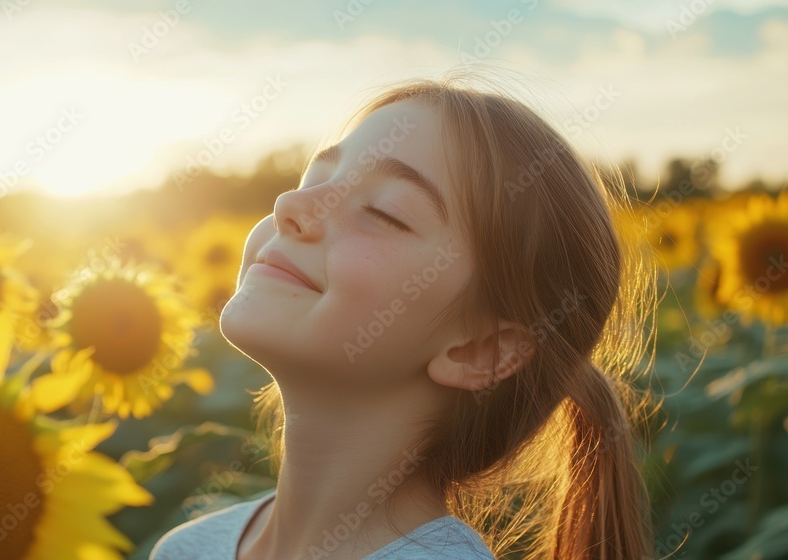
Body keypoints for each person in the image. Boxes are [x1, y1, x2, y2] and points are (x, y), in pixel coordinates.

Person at [150, 73, 657, 560]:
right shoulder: (190, 548)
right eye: (314, 178)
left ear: (480, 351)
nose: (290, 203)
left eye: (383, 211)